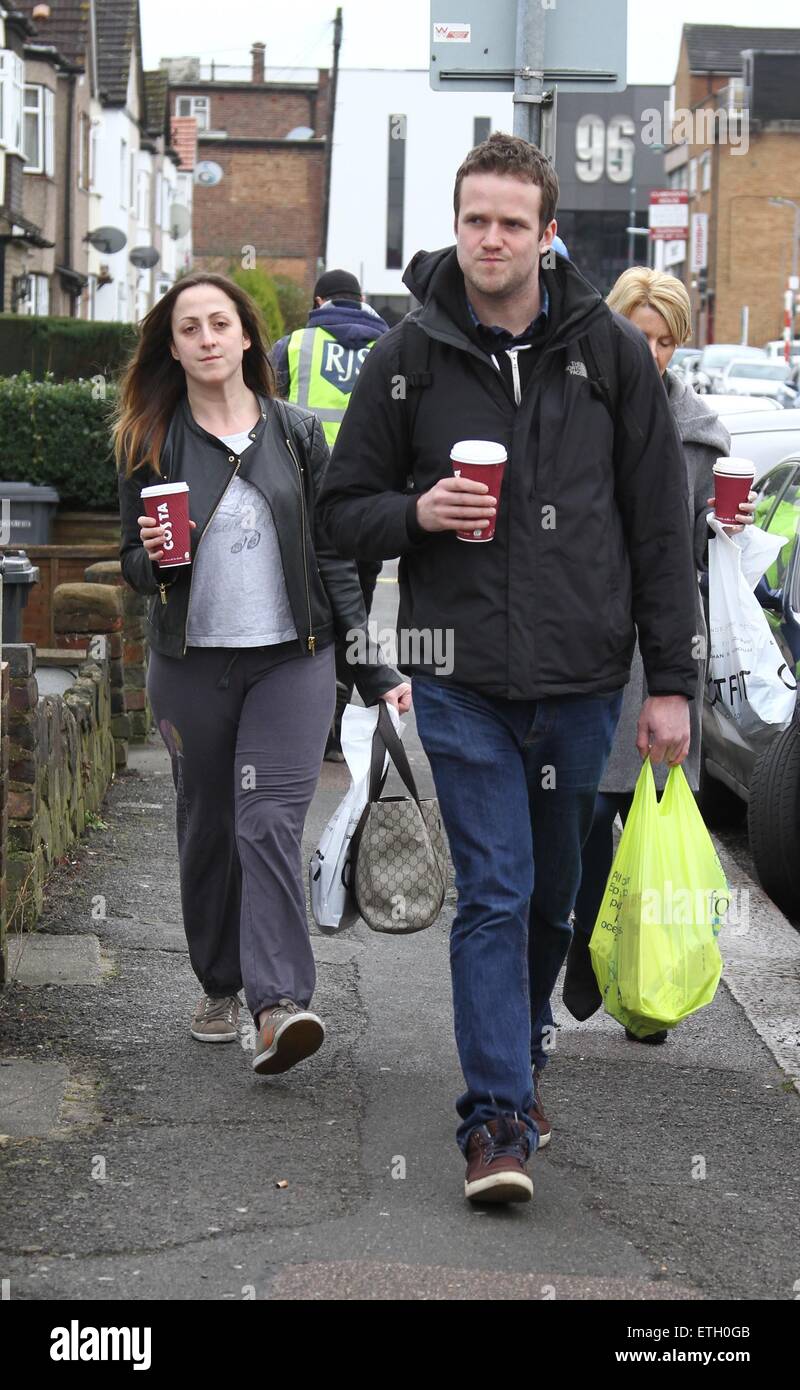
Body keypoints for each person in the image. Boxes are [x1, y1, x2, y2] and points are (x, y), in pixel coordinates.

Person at [318, 132, 700, 1205]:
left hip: (580, 678)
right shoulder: (408, 359)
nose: (490, 239)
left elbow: (656, 530)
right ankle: (492, 1121)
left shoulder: (607, 353)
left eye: (510, 223)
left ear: (545, 235)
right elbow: (341, 512)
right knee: (492, 891)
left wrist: (667, 681)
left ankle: (521, 1058)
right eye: (474, 219)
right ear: (456, 226)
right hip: (459, 674)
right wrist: (417, 512)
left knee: (549, 897)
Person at [115, 272, 409, 1077]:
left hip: (292, 659)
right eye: (189, 329)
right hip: (190, 666)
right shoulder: (150, 441)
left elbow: (334, 560)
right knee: (208, 825)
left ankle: (278, 1005)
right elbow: (133, 568)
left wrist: (374, 664)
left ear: (247, 335)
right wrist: (159, 560)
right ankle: (219, 983)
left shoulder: (297, 434)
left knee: (267, 823)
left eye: (220, 323)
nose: (207, 338)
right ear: (172, 348)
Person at [563, 266, 755, 1037]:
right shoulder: (574, 413)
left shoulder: (701, 434)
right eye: (637, 335)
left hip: (667, 656)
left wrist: (731, 536)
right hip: (589, 647)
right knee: (585, 822)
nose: (650, 352)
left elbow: (704, 551)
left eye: (666, 340)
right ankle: (585, 949)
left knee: (656, 825)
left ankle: (643, 984)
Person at [273, 269, 391, 760]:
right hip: (369, 504)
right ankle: (336, 725)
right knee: (354, 610)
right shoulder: (388, 345)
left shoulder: (292, 346)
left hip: (304, 499)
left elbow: (263, 409)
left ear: (319, 300)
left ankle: (310, 723)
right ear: (360, 300)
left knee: (311, 609)